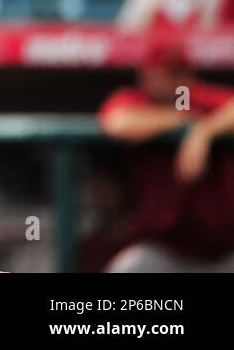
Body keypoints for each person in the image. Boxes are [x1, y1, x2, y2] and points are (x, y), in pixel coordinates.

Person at [99, 41, 234, 272]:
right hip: (166, 250)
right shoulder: (140, 101)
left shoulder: (198, 98)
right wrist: (180, 120)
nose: (153, 82)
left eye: (166, 75)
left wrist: (205, 131)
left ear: (184, 77)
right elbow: (117, 122)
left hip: (222, 250)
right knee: (129, 268)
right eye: (152, 75)